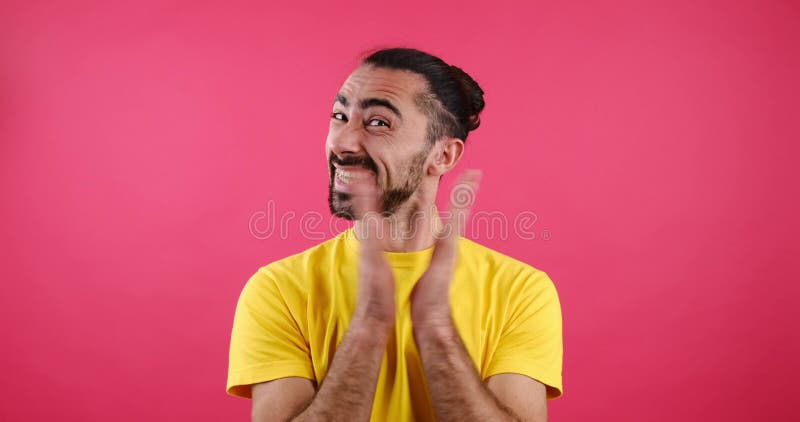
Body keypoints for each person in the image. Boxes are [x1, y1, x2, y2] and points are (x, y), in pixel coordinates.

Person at [226, 47, 563, 421]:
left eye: (378, 123)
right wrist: (368, 328)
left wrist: (437, 334)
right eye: (340, 116)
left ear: (444, 156)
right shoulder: (279, 289)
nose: (342, 143)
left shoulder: (521, 292)